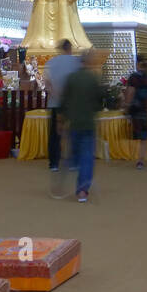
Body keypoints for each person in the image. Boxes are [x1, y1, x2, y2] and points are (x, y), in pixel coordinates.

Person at [61, 50, 103, 203]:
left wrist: (62, 120)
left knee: (77, 153)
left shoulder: (71, 78)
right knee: (87, 157)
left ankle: (72, 164)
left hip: (74, 123)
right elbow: (99, 102)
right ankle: (82, 190)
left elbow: (64, 102)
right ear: (89, 62)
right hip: (88, 123)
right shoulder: (93, 79)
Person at [43, 40, 81, 173]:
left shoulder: (51, 63)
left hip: (55, 103)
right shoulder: (76, 62)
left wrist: (56, 96)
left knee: (55, 134)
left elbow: (47, 84)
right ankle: (73, 162)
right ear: (69, 48)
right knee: (73, 132)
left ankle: (54, 163)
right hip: (72, 104)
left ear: (60, 49)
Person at [125, 55, 147, 169]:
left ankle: (134, 156)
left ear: (138, 64)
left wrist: (126, 107)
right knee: (144, 137)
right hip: (144, 109)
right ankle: (141, 160)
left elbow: (130, 92)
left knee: (136, 134)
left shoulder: (133, 77)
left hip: (135, 109)